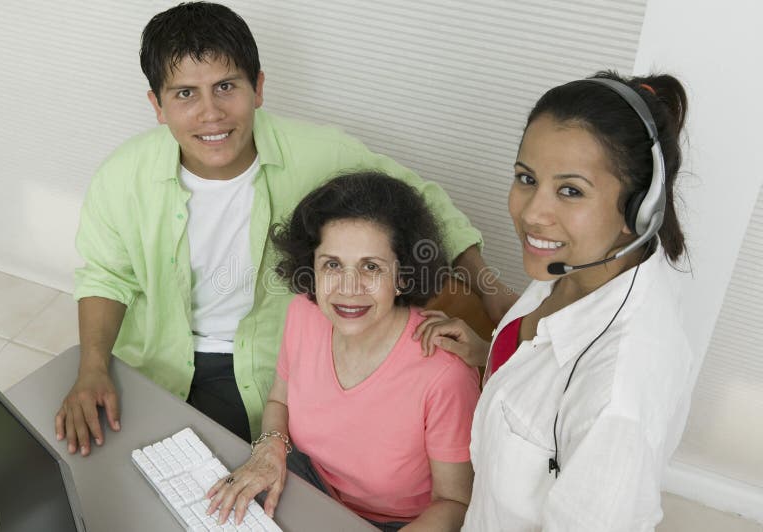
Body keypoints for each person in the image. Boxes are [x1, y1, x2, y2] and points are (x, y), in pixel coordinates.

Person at [54, 1, 509, 455]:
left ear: (258, 88)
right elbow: (106, 277)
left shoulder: (321, 153)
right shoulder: (121, 175)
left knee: (226, 484)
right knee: (107, 463)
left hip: (269, 369)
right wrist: (92, 368)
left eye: (225, 86)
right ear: (157, 105)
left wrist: (491, 290)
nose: (211, 113)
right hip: (158, 362)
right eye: (185, 94)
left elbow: (421, 201)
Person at [418, 72, 697, 530]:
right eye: (526, 178)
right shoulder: (575, 265)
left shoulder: (616, 400)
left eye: (571, 191)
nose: (532, 213)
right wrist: (492, 354)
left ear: (640, 209)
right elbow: (544, 383)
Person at [204, 172, 481, 531]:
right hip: (307, 486)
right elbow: (279, 401)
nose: (349, 288)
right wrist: (270, 447)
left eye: (371, 267)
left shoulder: (445, 372)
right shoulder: (304, 314)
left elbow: (455, 503)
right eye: (333, 264)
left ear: (403, 275)